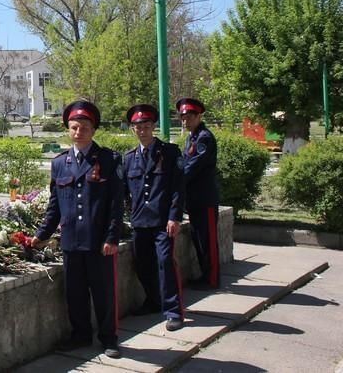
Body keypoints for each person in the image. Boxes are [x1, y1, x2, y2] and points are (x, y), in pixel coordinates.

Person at [31, 100, 123, 359]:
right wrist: (41, 235)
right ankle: (81, 335)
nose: (78, 132)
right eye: (74, 127)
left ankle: (109, 338)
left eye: (84, 127)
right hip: (71, 241)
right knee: (75, 294)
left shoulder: (108, 159)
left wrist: (112, 236)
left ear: (93, 130)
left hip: (99, 242)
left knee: (104, 293)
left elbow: (116, 205)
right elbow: (54, 206)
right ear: (68, 130)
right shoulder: (60, 163)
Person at [123, 104, 185, 331]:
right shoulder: (129, 158)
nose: (142, 130)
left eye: (147, 126)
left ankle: (173, 311)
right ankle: (153, 300)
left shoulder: (169, 153)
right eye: (138, 127)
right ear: (133, 129)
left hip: (162, 221)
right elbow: (124, 191)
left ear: (153, 127)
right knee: (142, 264)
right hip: (140, 222)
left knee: (165, 263)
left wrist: (174, 216)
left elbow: (178, 187)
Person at [177, 97, 220, 289]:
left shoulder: (204, 137)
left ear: (199, 116)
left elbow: (192, 167)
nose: (185, 121)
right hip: (194, 199)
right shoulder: (191, 137)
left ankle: (211, 279)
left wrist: (173, 183)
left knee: (207, 241)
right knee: (199, 240)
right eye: (183, 118)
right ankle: (205, 275)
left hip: (205, 199)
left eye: (189, 117)